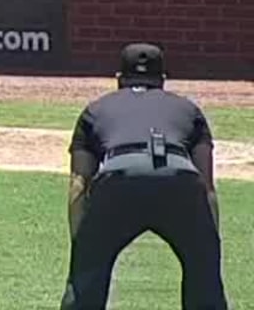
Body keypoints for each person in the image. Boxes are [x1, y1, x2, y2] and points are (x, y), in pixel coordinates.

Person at [60, 43, 226, 310]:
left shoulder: (95, 110)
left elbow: (78, 183)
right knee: (203, 275)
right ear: (162, 80)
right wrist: (208, 240)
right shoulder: (189, 110)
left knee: (87, 280)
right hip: (179, 181)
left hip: (119, 180)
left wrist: (84, 244)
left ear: (119, 79)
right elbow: (207, 187)